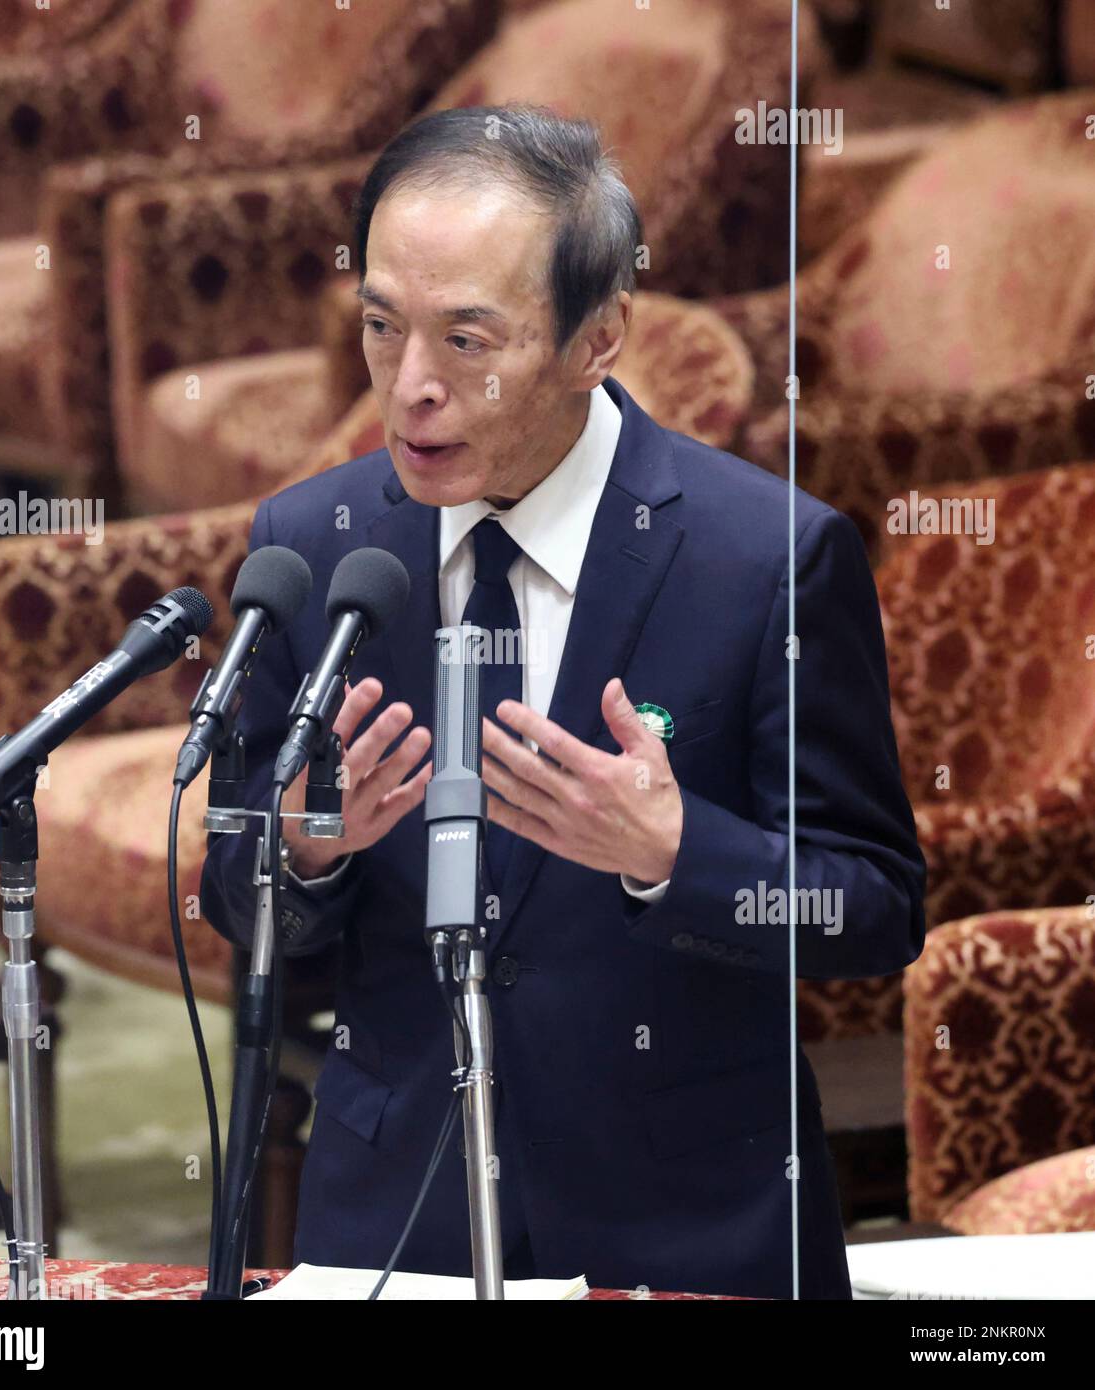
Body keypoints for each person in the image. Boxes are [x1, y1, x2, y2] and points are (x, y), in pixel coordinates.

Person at [200, 104, 926, 1299]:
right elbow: (242, 895)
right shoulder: (313, 543)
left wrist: (676, 853)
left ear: (598, 338)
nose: (411, 389)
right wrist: (304, 850)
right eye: (382, 328)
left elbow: (873, 906)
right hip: (397, 1220)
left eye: (468, 340)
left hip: (685, 1219)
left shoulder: (765, 561)